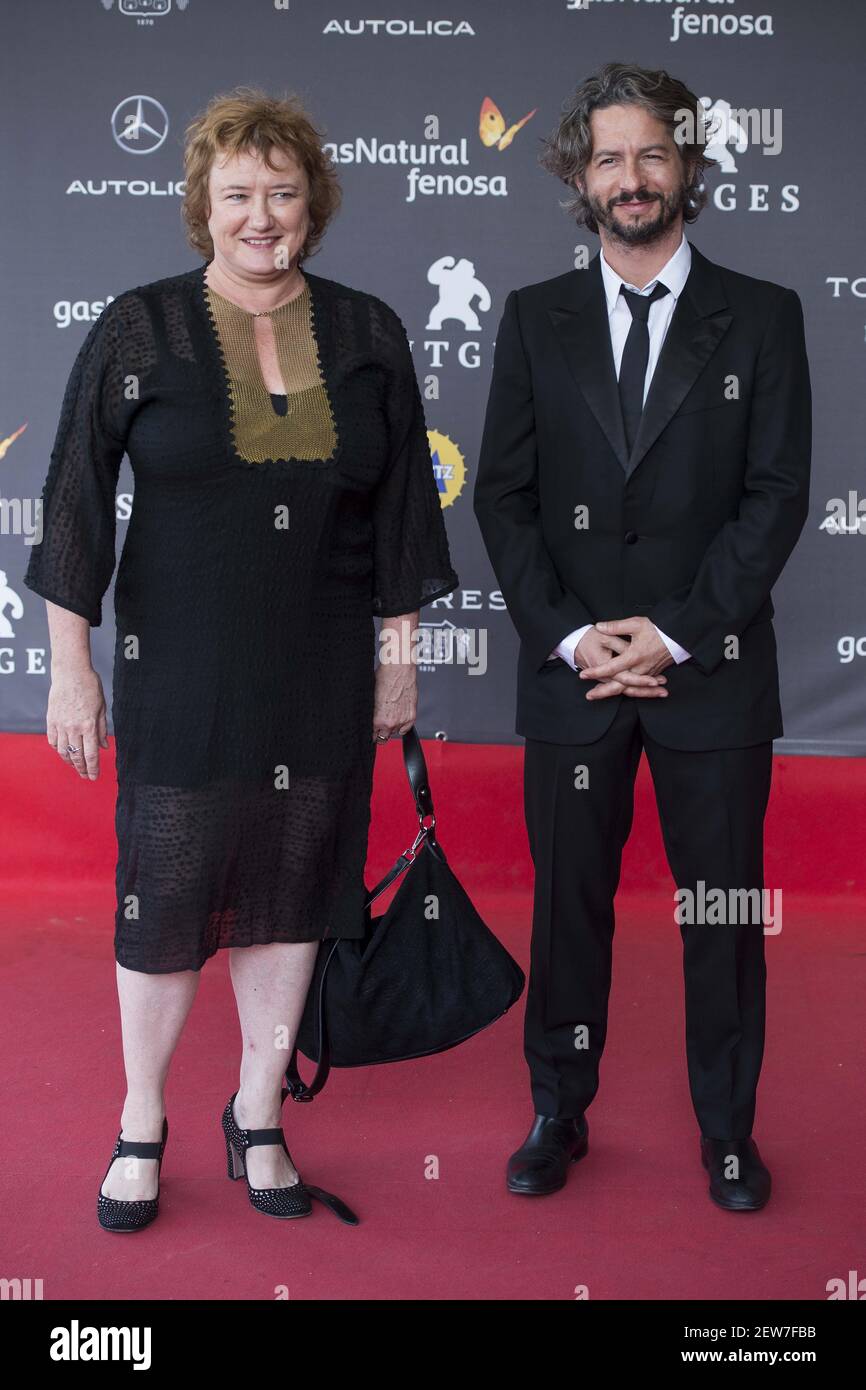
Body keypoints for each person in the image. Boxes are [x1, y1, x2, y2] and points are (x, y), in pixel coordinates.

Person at [24, 85, 458, 1230]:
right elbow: (73, 504)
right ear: (199, 207)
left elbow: (407, 506)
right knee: (167, 892)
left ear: (313, 202)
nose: (260, 215)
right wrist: (70, 665)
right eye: (236, 195)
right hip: (179, 667)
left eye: (281, 192)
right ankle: (141, 1118)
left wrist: (400, 653)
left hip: (316, 666)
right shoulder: (140, 328)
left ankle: (258, 1110)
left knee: (291, 894)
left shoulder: (366, 332)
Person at [473, 62, 811, 1211]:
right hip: (573, 680)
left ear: (688, 169)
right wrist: (575, 642)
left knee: (717, 918)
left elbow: (773, 498)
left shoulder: (763, 316)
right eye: (608, 157)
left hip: (708, 679)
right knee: (566, 914)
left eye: (652, 154)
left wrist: (671, 634)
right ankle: (555, 1115)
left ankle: (727, 1135)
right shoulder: (530, 318)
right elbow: (501, 502)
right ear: (578, 175)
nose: (631, 176)